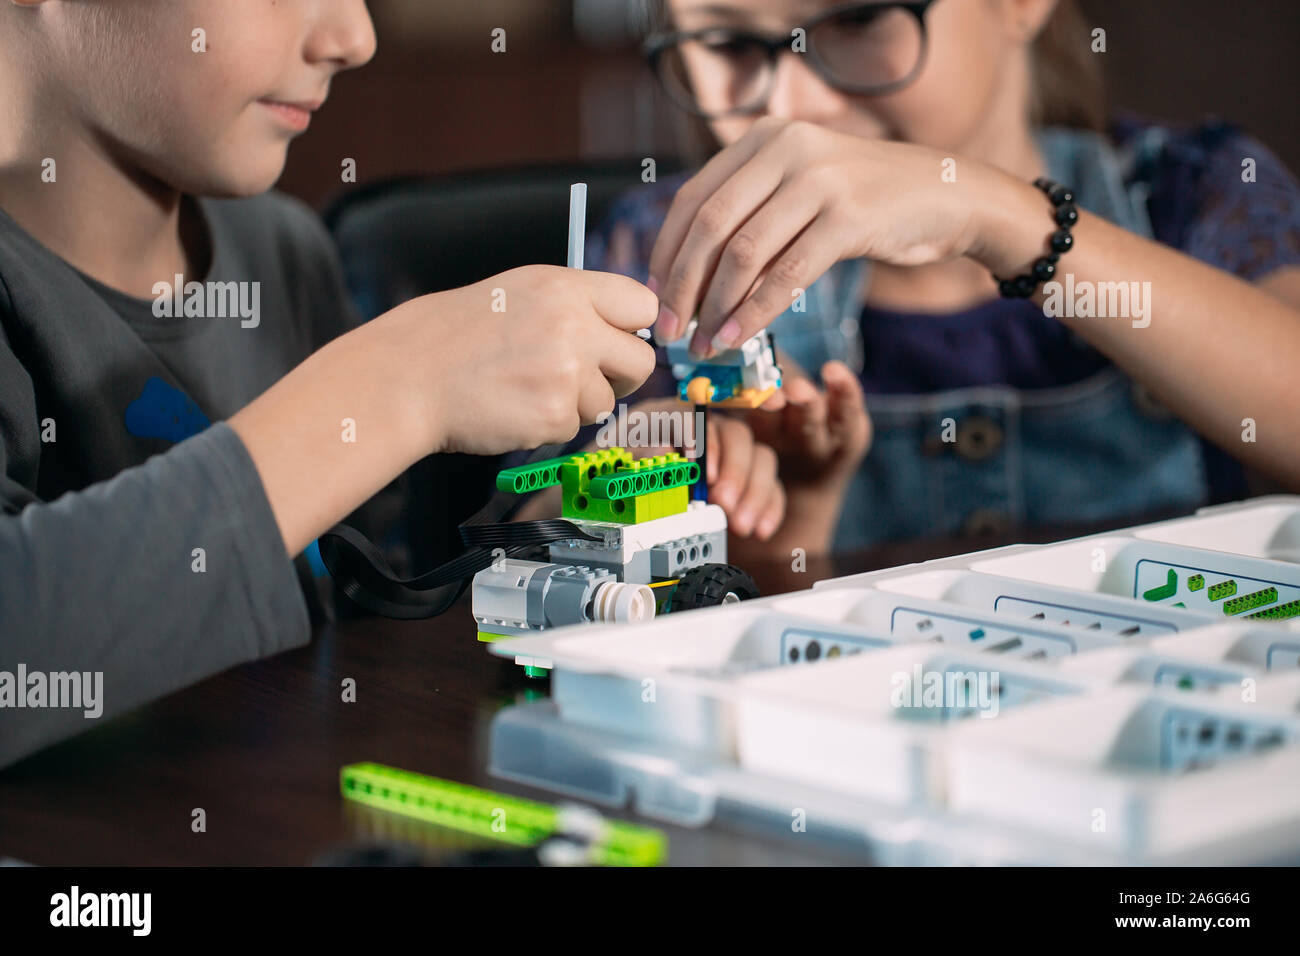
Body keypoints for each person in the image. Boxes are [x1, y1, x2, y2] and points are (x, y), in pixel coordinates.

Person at [0, 0, 784, 767]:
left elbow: (369, 596)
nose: (354, 36)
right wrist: (397, 385)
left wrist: (562, 528)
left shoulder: (284, 251)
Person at [589, 0, 1300, 551]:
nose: (791, 107)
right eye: (727, 43)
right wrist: (672, 489)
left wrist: (1002, 218)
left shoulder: (1193, 194)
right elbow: (555, 530)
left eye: (859, 19)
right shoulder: (663, 245)